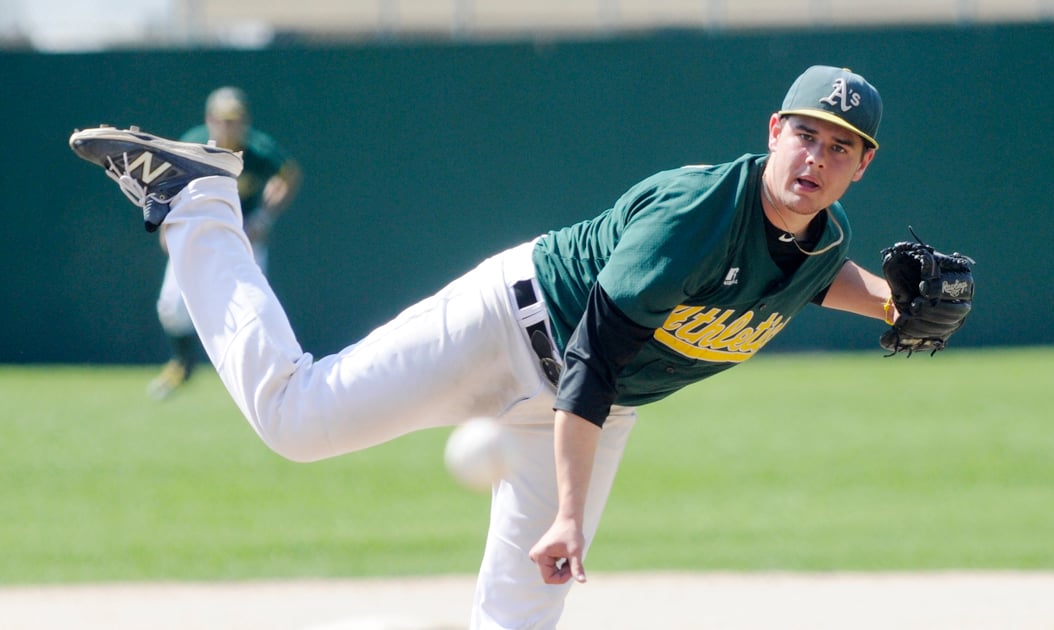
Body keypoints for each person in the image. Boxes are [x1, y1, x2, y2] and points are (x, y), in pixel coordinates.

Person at [70, 66, 968, 628]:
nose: (816, 155)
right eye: (806, 132)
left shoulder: (821, 239)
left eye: (841, 146)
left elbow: (813, 279)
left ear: (861, 166)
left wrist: (893, 304)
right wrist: (570, 514)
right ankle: (195, 201)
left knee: (522, 613)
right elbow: (594, 357)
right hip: (512, 326)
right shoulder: (697, 216)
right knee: (297, 419)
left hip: (588, 404)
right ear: (773, 132)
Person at [147, 86, 302, 400]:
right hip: (197, 233)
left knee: (257, 308)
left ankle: (268, 377)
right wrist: (166, 224)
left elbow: (289, 174)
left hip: (240, 236)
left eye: (235, 120)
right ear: (209, 119)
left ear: (245, 121)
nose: (229, 127)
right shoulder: (194, 143)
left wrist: (265, 217)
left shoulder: (256, 150)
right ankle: (183, 364)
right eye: (222, 120)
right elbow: (165, 185)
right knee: (171, 307)